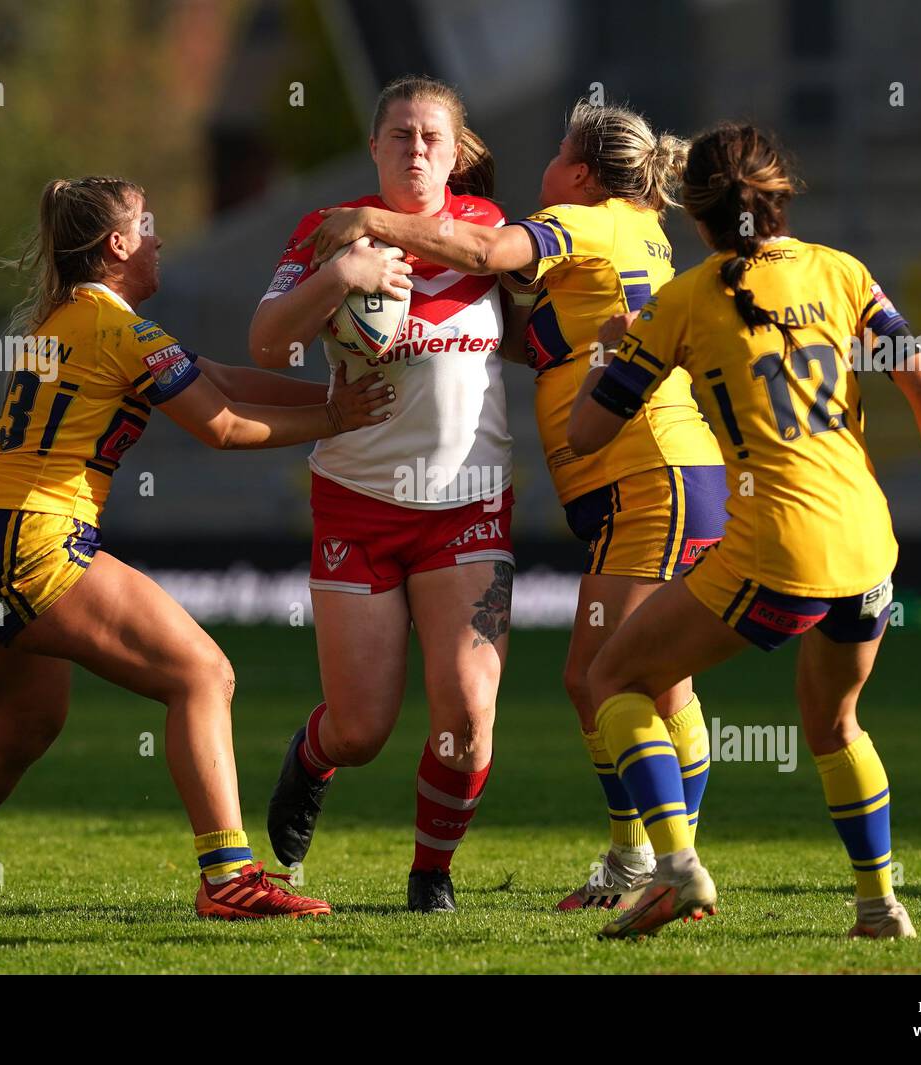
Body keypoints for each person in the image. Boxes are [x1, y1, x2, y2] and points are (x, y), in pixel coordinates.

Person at [0, 176, 393, 922]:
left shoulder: (71, 317)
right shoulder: (122, 329)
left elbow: (217, 378)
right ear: (118, 245)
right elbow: (220, 424)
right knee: (202, 673)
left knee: (20, 728)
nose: (159, 239)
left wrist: (334, 397)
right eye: (147, 226)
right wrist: (334, 422)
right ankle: (229, 878)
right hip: (34, 540)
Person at [565, 124, 921, 940]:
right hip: (868, 542)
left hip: (777, 547)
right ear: (781, 194)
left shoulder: (681, 302)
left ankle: (675, 867)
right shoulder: (842, 271)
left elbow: (587, 435)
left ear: (698, 215)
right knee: (836, 722)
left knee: (612, 677)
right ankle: (878, 905)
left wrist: (611, 350)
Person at [301, 99, 726, 912]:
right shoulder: (640, 228)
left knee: (602, 675)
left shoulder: (585, 219)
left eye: (559, 150)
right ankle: (646, 861)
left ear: (582, 171)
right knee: (657, 685)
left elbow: (490, 246)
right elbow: (534, 316)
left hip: (652, 477)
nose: (548, 168)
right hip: (659, 478)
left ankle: (657, 865)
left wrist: (373, 220)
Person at [249, 77, 513, 913]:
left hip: (470, 505)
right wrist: (345, 274)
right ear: (374, 147)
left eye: (432, 135)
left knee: (467, 714)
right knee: (362, 728)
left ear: (457, 149)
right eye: (399, 133)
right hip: (358, 502)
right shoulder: (326, 231)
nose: (416, 147)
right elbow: (266, 343)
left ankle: (430, 872)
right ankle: (313, 757)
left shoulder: (488, 228)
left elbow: (498, 276)